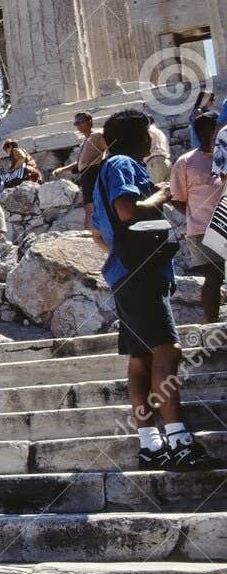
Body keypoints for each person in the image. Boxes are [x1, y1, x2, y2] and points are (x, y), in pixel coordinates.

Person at [90, 108, 211, 469]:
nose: (153, 138)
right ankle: (178, 438)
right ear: (140, 138)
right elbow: (127, 211)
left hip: (125, 273)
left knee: (140, 358)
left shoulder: (106, 170)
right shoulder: (123, 164)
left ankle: (150, 442)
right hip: (139, 275)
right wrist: (158, 197)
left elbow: (98, 229)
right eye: (150, 133)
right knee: (167, 350)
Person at [170, 112, 225, 323]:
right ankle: (211, 324)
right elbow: (177, 198)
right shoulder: (185, 162)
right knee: (214, 276)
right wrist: (196, 214)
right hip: (202, 229)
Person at [52, 111, 107, 229]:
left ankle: (95, 231)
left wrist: (102, 163)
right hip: (86, 174)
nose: (78, 125)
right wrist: (62, 169)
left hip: (95, 172)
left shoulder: (97, 135)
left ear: (90, 122)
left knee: (93, 205)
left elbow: (109, 149)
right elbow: (80, 162)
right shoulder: (86, 140)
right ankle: (90, 231)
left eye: (81, 122)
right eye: (76, 123)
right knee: (88, 205)